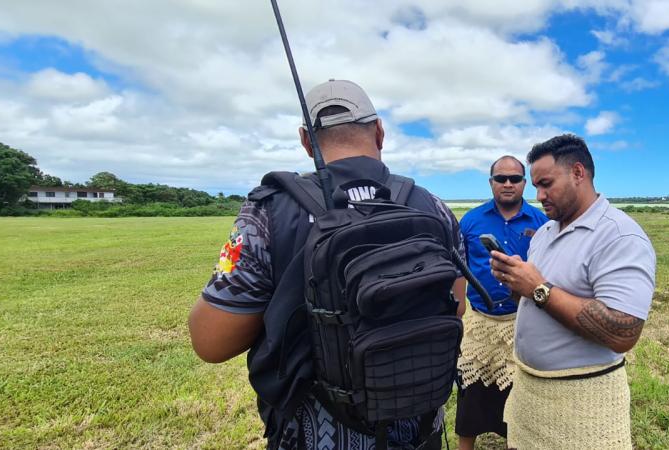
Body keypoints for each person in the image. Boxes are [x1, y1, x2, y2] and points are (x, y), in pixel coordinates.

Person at [188, 79, 466, 450]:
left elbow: (211, 342)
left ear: (306, 141)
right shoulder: (432, 206)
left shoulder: (269, 211)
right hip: (418, 429)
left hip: (315, 435)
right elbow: (456, 306)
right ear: (380, 132)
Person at [489, 134, 656, 450]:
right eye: (536, 186)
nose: (539, 195)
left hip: (584, 406)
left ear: (579, 173)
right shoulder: (545, 232)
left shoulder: (619, 237)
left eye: (546, 184)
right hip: (530, 399)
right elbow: (534, 300)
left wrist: (538, 288)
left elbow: (623, 332)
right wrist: (517, 284)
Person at [455, 155, 548, 449]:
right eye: (501, 178)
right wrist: (456, 311)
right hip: (480, 324)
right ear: (491, 182)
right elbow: (459, 266)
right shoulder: (471, 220)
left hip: (522, 321)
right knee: (470, 393)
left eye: (515, 179)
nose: (507, 184)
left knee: (520, 396)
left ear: (524, 183)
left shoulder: (541, 222)